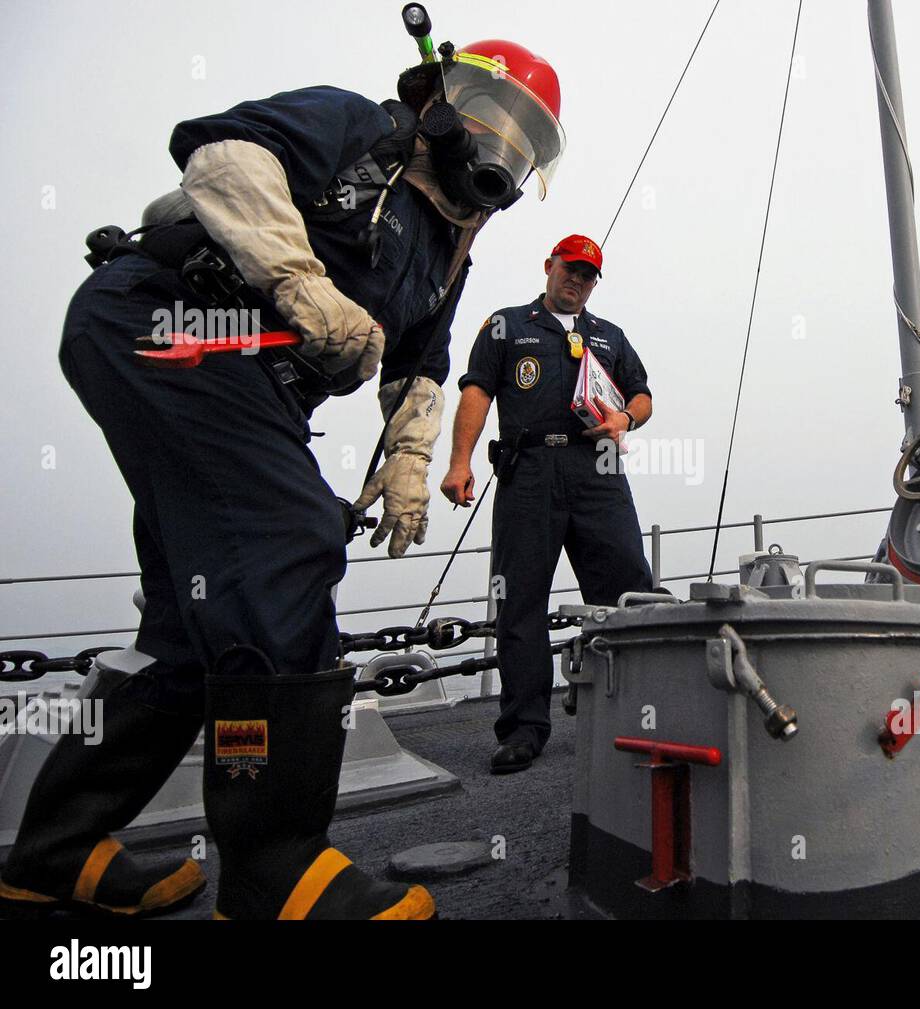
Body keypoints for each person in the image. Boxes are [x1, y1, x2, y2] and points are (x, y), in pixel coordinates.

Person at [0, 40, 565, 920]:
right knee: (291, 539)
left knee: (195, 619)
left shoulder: (445, 255)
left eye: (524, 140)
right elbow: (223, 158)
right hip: (171, 321)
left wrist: (410, 461)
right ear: (443, 98)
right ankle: (274, 865)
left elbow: (419, 366)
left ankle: (54, 850)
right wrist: (301, 286)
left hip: (231, 373)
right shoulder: (358, 129)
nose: (500, 147)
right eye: (490, 116)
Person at [441, 235, 654, 774]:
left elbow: (642, 396)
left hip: (597, 472)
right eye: (570, 270)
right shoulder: (506, 325)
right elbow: (477, 392)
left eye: (588, 275)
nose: (577, 281)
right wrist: (459, 462)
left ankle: (637, 713)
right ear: (549, 267)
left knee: (629, 592)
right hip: (528, 471)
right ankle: (523, 729)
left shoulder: (610, 336)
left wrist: (624, 419)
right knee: (520, 599)